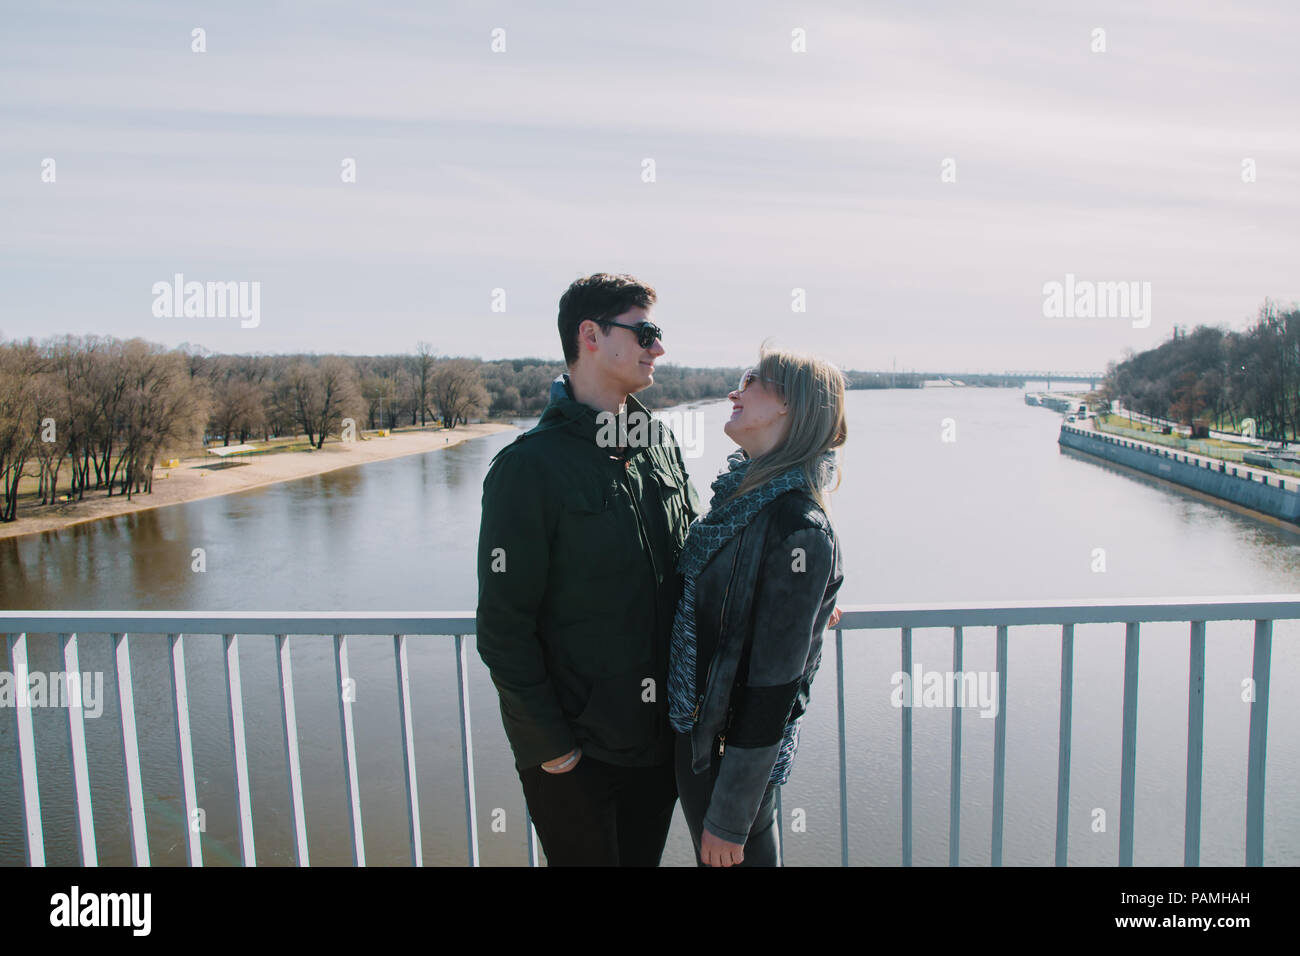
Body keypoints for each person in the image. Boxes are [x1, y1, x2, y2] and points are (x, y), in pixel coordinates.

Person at [475, 273, 701, 866]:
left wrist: (791, 589)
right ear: (591, 334)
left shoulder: (659, 444)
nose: (659, 348)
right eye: (646, 331)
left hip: (660, 743)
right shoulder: (529, 469)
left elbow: (700, 558)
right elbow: (504, 625)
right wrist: (553, 749)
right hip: (578, 757)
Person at [669, 346, 846, 867]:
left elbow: (773, 692)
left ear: (793, 405)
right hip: (698, 737)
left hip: (727, 760)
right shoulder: (741, 500)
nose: (734, 391)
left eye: (752, 380)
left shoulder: (797, 527)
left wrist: (728, 818)